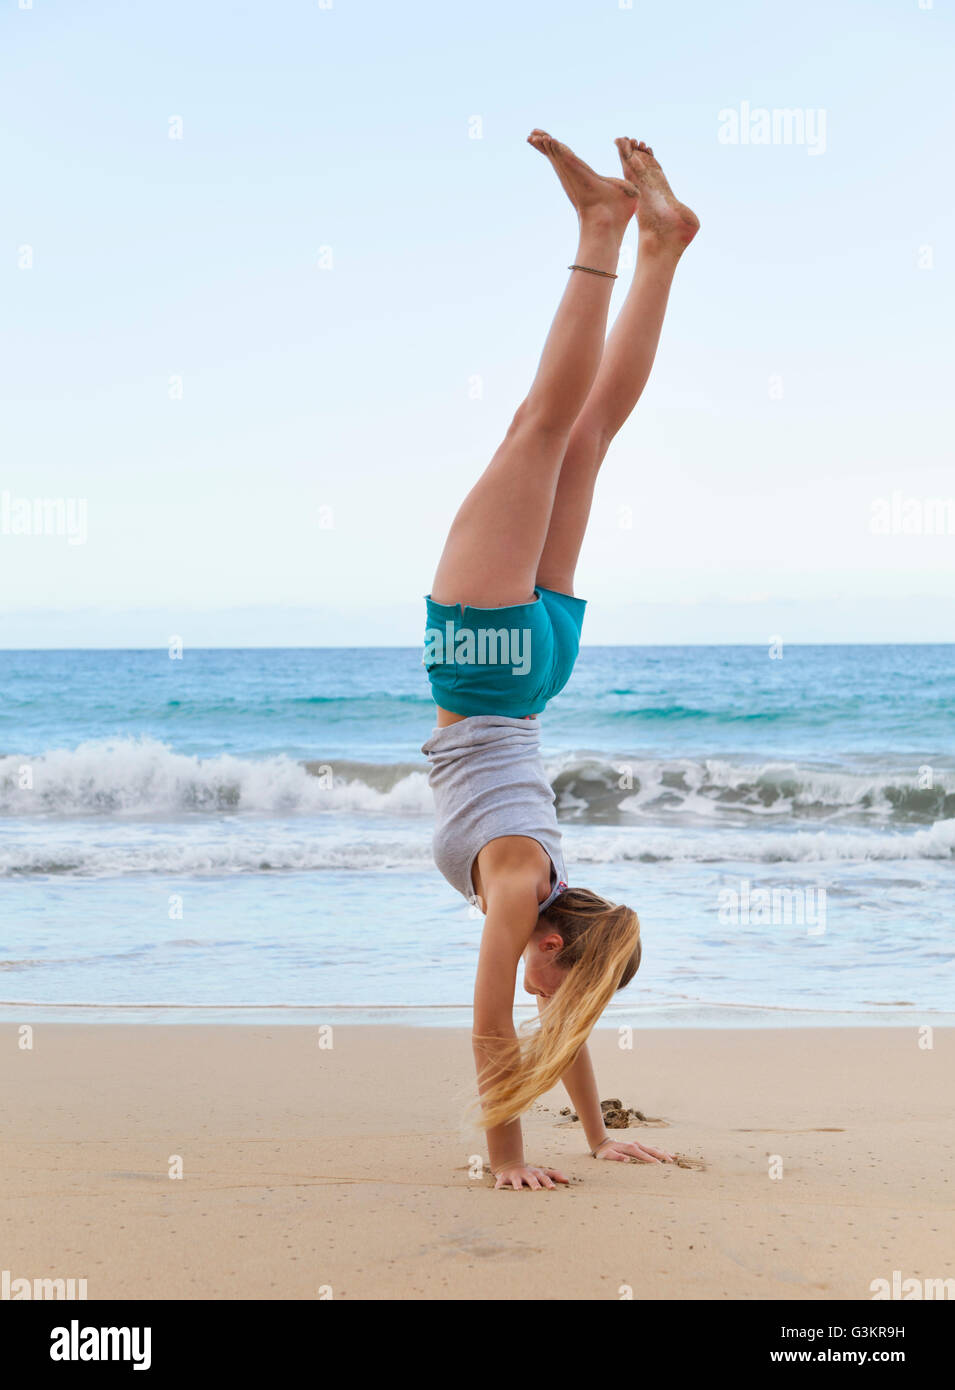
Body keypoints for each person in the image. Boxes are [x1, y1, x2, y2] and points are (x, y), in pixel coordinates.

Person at [421, 131, 699, 1191]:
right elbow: (492, 1024)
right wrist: (508, 1159)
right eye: (562, 984)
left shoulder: (557, 889)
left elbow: (550, 1013)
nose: (551, 1000)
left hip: (538, 677)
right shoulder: (516, 892)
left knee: (582, 442)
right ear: (557, 942)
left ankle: (661, 250)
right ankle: (603, 232)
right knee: (542, 431)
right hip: (485, 670)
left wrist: (594, 1136)